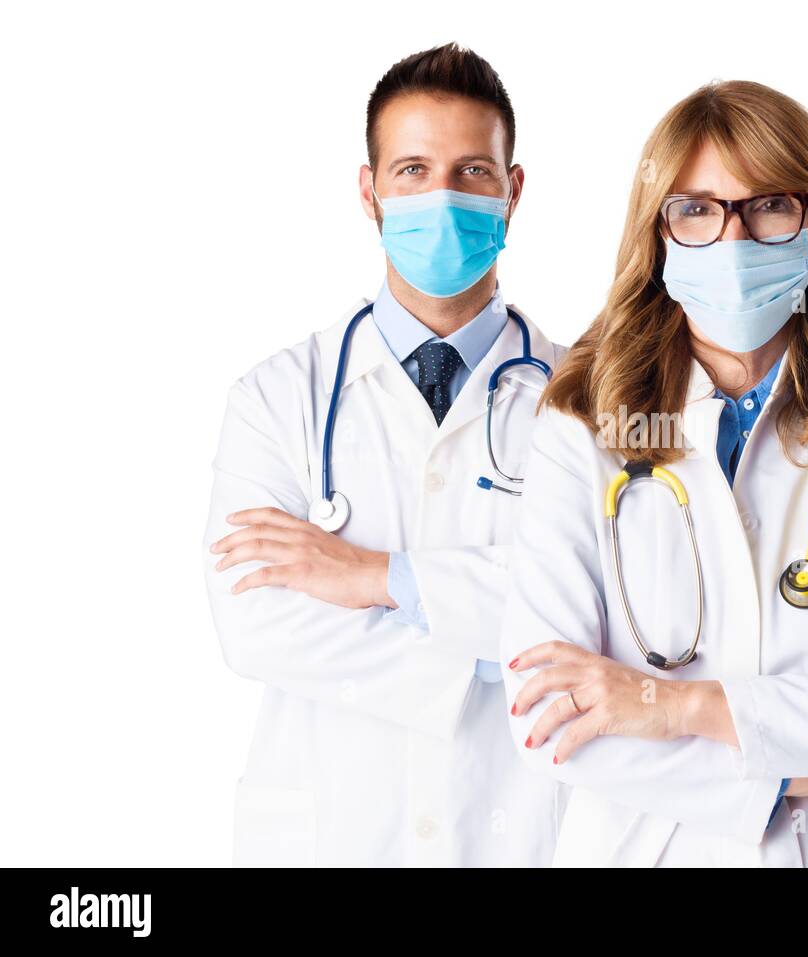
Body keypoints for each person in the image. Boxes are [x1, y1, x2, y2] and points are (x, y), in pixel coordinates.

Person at [500, 80, 808, 867]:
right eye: (695, 209)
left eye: (767, 206)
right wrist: (802, 767)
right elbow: (547, 715)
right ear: (656, 236)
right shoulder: (580, 433)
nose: (732, 240)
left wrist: (674, 706)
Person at [203, 43, 565, 867]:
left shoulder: (593, 400)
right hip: (334, 829)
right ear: (369, 192)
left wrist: (375, 577)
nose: (442, 198)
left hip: (524, 828)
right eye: (412, 170)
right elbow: (255, 622)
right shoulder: (275, 398)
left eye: (472, 172)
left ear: (513, 193)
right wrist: (488, 652)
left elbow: (608, 605)